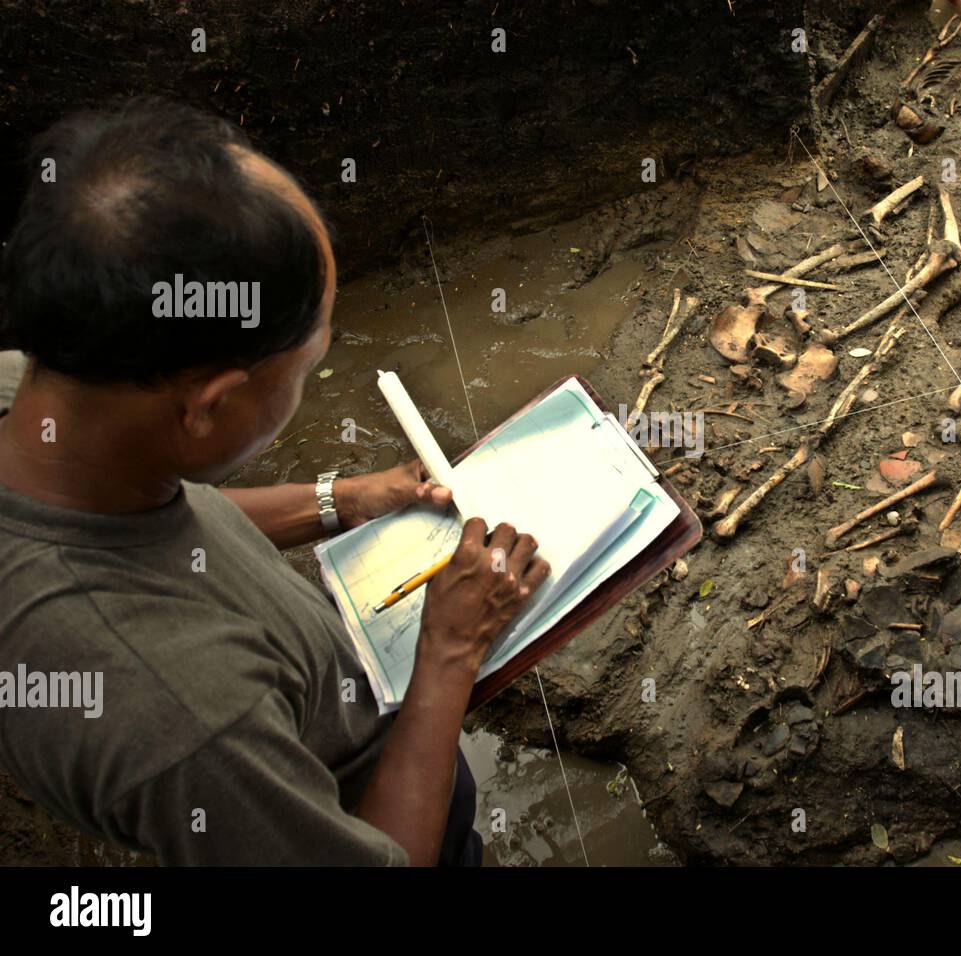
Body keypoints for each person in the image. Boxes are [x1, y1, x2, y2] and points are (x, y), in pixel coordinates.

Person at [0, 97, 549, 865]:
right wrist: (449, 651)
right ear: (211, 404)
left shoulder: (46, 404)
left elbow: (176, 519)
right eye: (306, 370)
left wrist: (340, 501)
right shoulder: (187, 717)